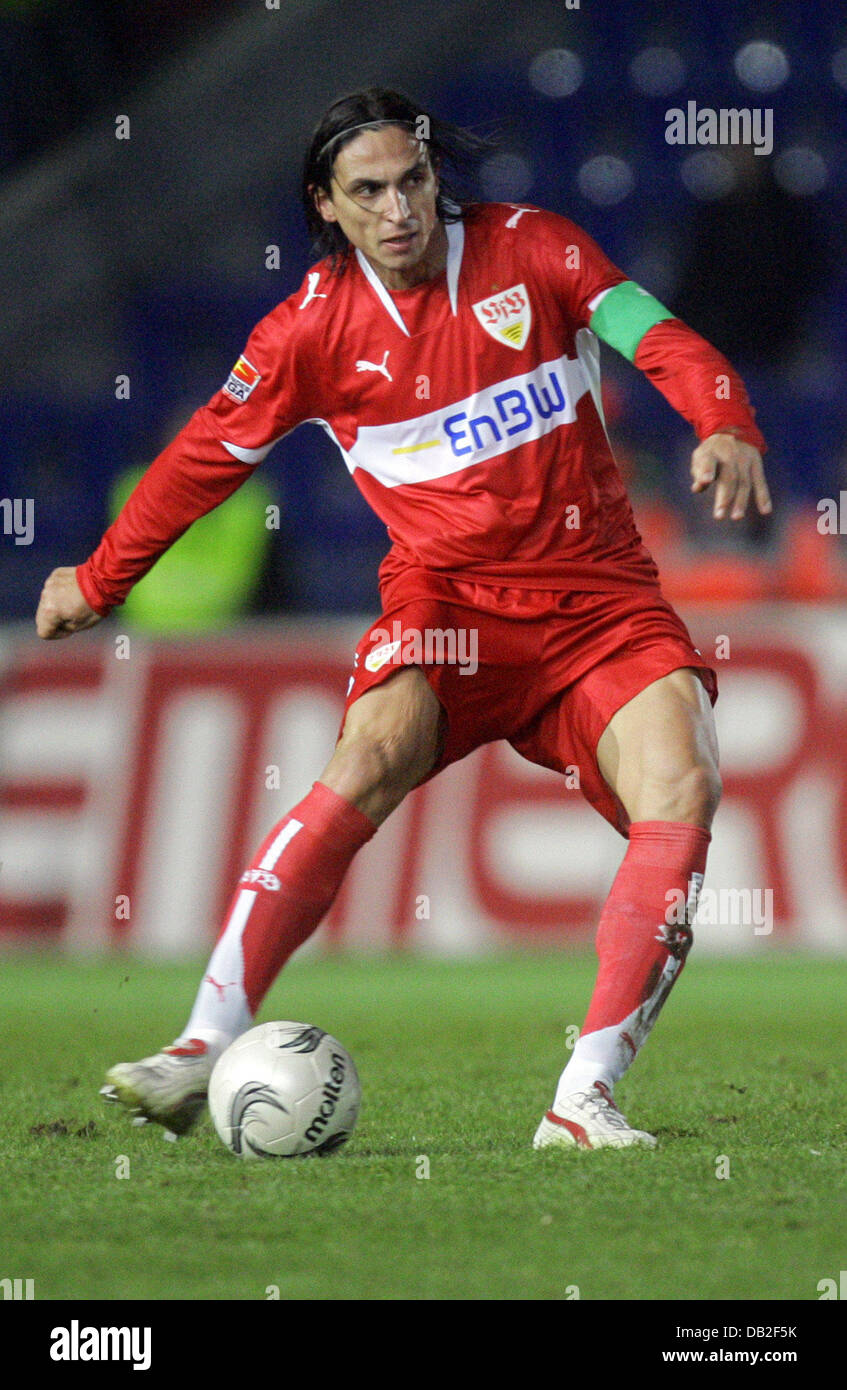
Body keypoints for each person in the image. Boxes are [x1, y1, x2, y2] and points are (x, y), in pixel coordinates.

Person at [35, 88, 771, 1150]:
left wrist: (721, 419)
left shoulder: (535, 251)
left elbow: (654, 334)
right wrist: (99, 579)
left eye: (412, 181)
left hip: (597, 604)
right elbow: (203, 458)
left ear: (436, 178)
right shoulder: (310, 333)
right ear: (325, 207)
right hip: (448, 606)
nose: (399, 210)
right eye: (368, 191)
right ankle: (201, 1042)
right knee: (368, 753)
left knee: (685, 781)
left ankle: (583, 1097)